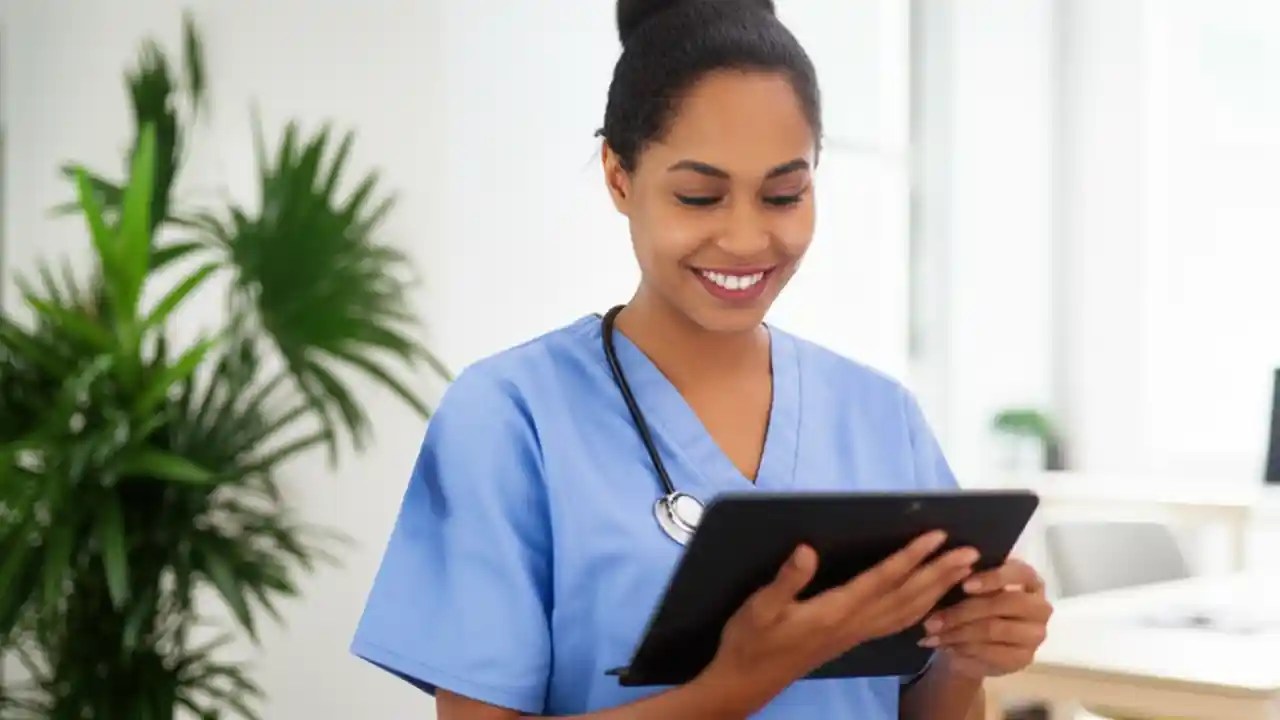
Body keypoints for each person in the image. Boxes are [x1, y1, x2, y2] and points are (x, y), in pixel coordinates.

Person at [350, 0, 1053, 717]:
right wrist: (735, 685)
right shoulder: (509, 418)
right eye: (699, 195)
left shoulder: (880, 416)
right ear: (618, 177)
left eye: (784, 194)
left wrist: (966, 662)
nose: (747, 239)